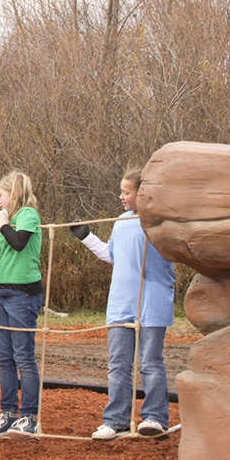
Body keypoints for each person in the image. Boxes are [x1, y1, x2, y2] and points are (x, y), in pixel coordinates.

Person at [70, 168, 175, 440]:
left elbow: (174, 252)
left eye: (126, 192)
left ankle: (154, 417)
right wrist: (87, 237)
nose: (121, 196)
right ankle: (115, 419)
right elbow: (112, 255)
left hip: (151, 300)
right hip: (121, 302)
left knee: (150, 362)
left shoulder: (160, 223)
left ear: (142, 193)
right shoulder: (121, 221)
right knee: (118, 363)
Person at [0, 170, 44, 438]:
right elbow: (6, 249)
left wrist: (3, 224)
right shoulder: (13, 218)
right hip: (4, 291)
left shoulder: (27, 214)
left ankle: (28, 416)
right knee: (4, 356)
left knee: (23, 356)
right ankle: (8, 413)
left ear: (13, 194)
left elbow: (18, 244)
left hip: (23, 294)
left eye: (1, 195)